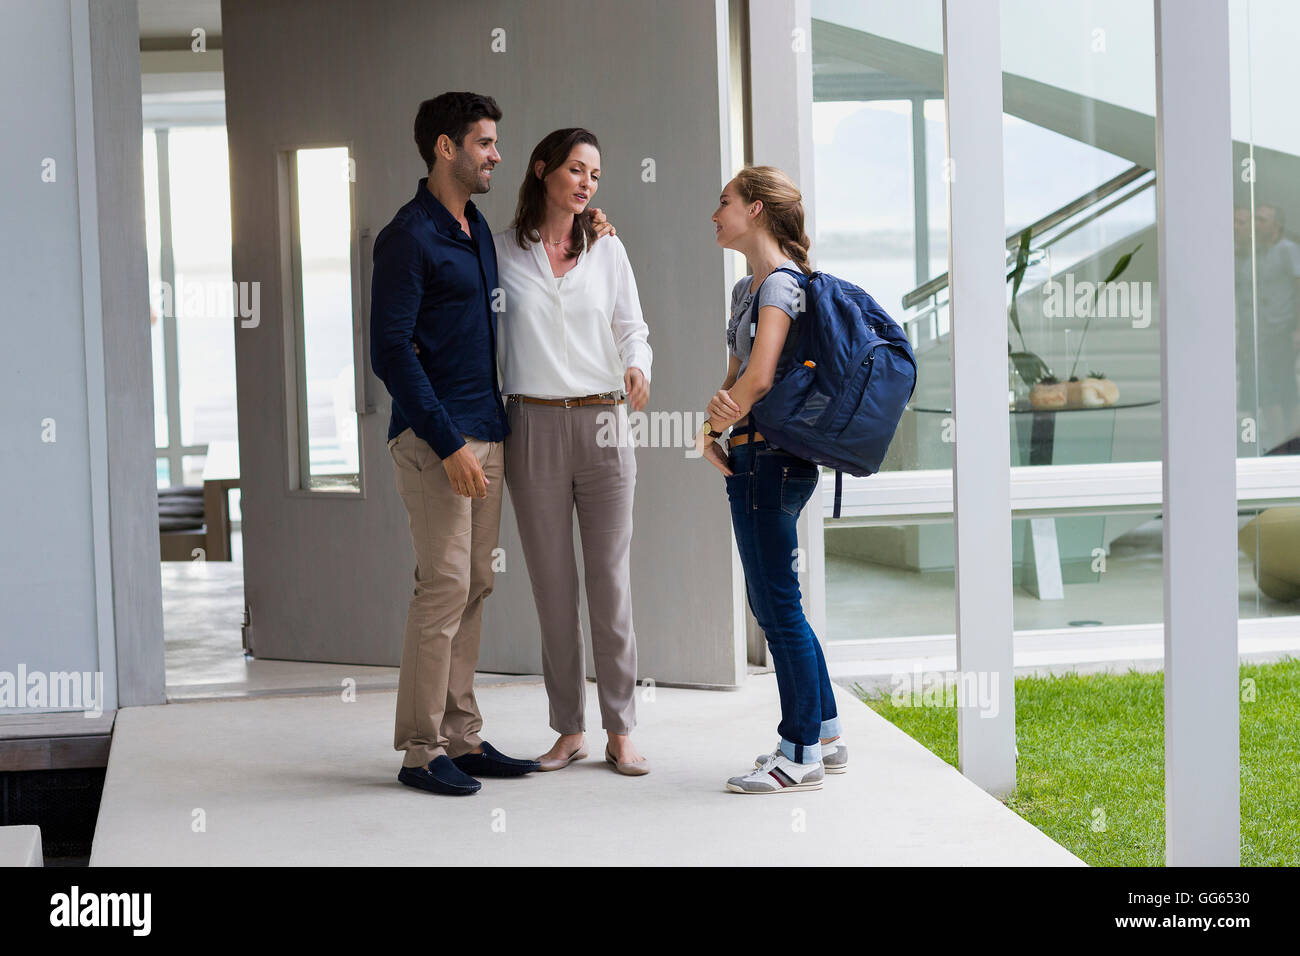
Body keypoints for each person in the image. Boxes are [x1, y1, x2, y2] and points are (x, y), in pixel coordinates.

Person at [369, 92, 616, 796]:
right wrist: (448, 442)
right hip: (435, 441)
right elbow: (390, 351)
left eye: (497, 143)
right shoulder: (407, 236)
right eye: (483, 142)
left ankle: (461, 738)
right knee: (442, 588)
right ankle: (420, 751)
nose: (496, 155)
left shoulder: (477, 229)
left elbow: (546, 258)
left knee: (474, 586)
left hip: (489, 432)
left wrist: (589, 221)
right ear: (445, 148)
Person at [493, 128, 652, 776]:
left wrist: (638, 367)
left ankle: (621, 729)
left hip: (604, 424)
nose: (587, 182)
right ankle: (569, 730)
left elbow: (632, 327)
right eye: (576, 169)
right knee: (553, 591)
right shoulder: (501, 253)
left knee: (610, 586)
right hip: (531, 426)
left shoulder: (607, 249)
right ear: (542, 170)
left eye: (596, 173)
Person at [694, 165, 845, 794]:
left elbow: (757, 380)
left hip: (772, 461)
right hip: (751, 452)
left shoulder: (782, 284)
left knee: (776, 605)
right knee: (782, 603)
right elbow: (735, 377)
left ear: (755, 210)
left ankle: (797, 752)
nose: (715, 213)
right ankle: (827, 733)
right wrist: (709, 428)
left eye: (724, 201)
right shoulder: (744, 290)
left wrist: (722, 419)